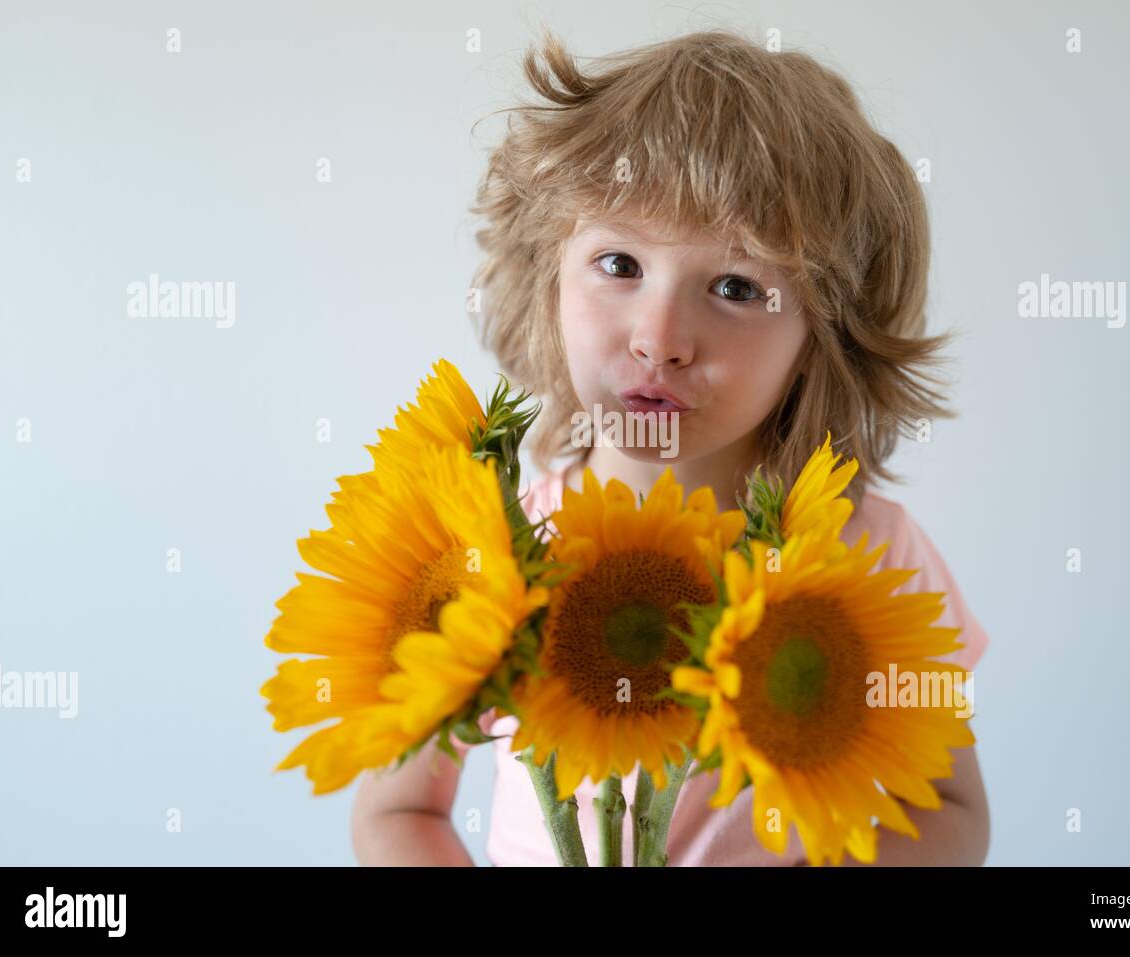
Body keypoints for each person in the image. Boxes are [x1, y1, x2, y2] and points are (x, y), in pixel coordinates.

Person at [351, 26, 990, 867]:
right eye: (619, 262)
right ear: (546, 279)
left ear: (827, 336)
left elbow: (947, 807)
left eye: (735, 286)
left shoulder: (871, 558)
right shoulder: (491, 551)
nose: (659, 337)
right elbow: (398, 812)